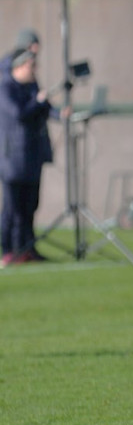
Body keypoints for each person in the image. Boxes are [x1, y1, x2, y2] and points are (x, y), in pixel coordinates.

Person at [0, 50, 62, 267]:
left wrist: (59, 113)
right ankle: (8, 251)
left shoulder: (31, 87)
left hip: (32, 158)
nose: (34, 71)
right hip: (12, 160)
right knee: (12, 209)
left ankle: (27, 249)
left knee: (30, 206)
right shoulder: (5, 87)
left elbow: (44, 109)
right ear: (19, 66)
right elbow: (18, 113)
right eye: (31, 66)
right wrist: (38, 101)